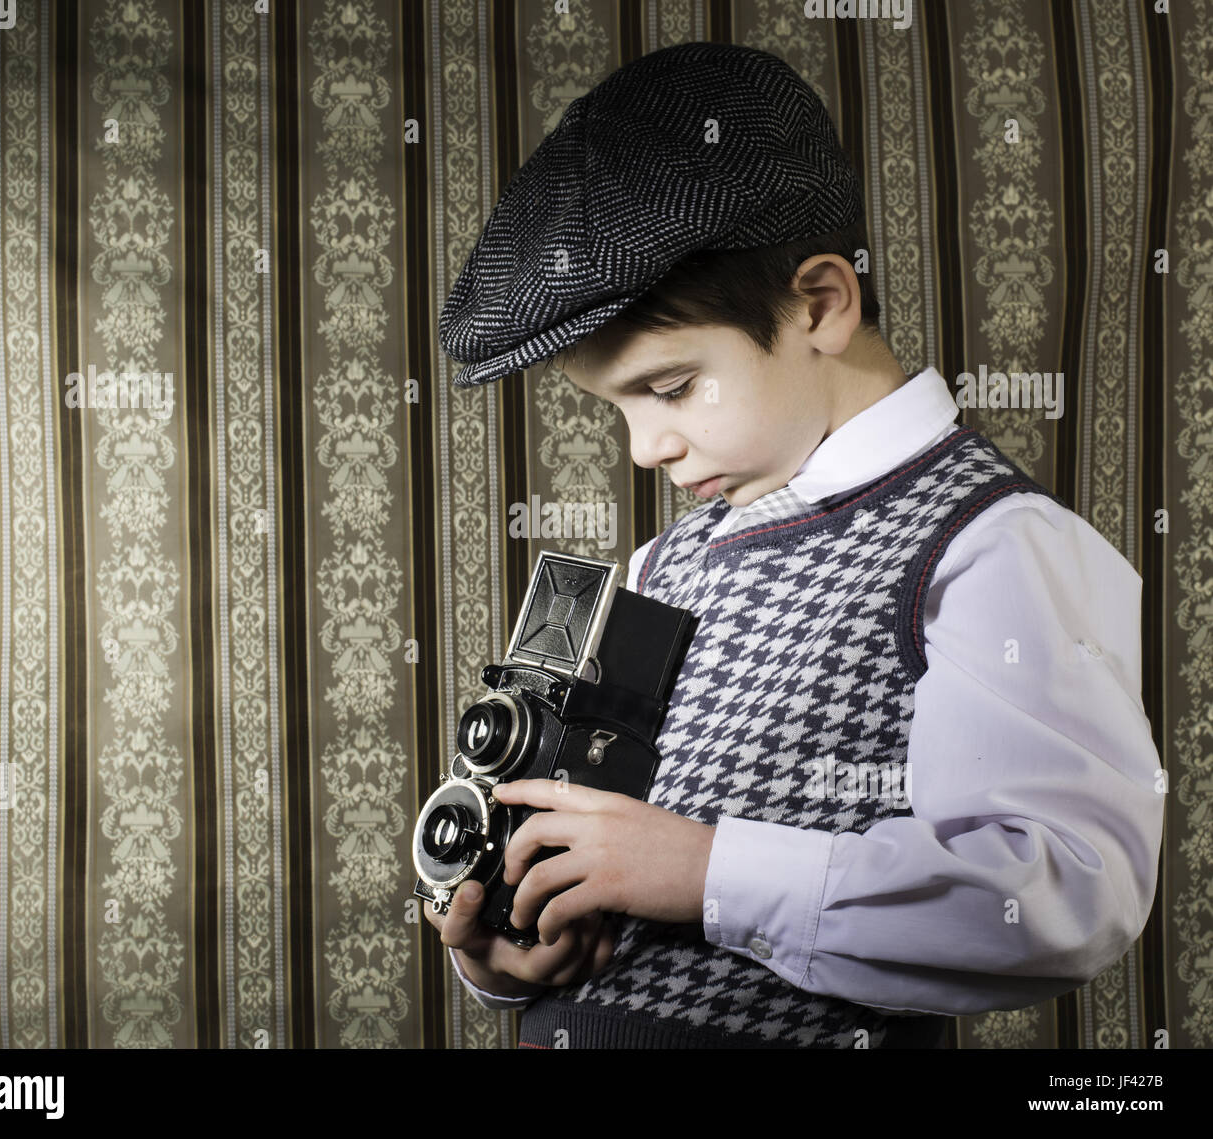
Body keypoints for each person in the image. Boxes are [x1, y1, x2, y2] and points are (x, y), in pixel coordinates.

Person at [428, 41, 1164, 1049]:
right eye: (617, 409)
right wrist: (510, 953)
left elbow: (1067, 891)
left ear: (819, 303)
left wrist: (707, 872)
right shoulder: (659, 567)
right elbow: (599, 877)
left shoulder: (991, 545)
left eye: (672, 388)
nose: (648, 447)